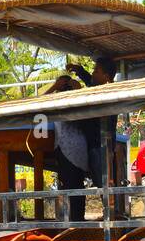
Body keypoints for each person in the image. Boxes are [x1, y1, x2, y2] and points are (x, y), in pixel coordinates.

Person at [43, 56, 118, 221]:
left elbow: (91, 93)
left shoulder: (106, 92)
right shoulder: (97, 89)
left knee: (103, 187)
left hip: (99, 147)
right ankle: (109, 218)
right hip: (89, 148)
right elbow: (91, 84)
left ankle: (112, 220)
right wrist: (80, 72)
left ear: (106, 76)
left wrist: (75, 90)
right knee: (89, 188)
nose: (92, 73)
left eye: (96, 71)